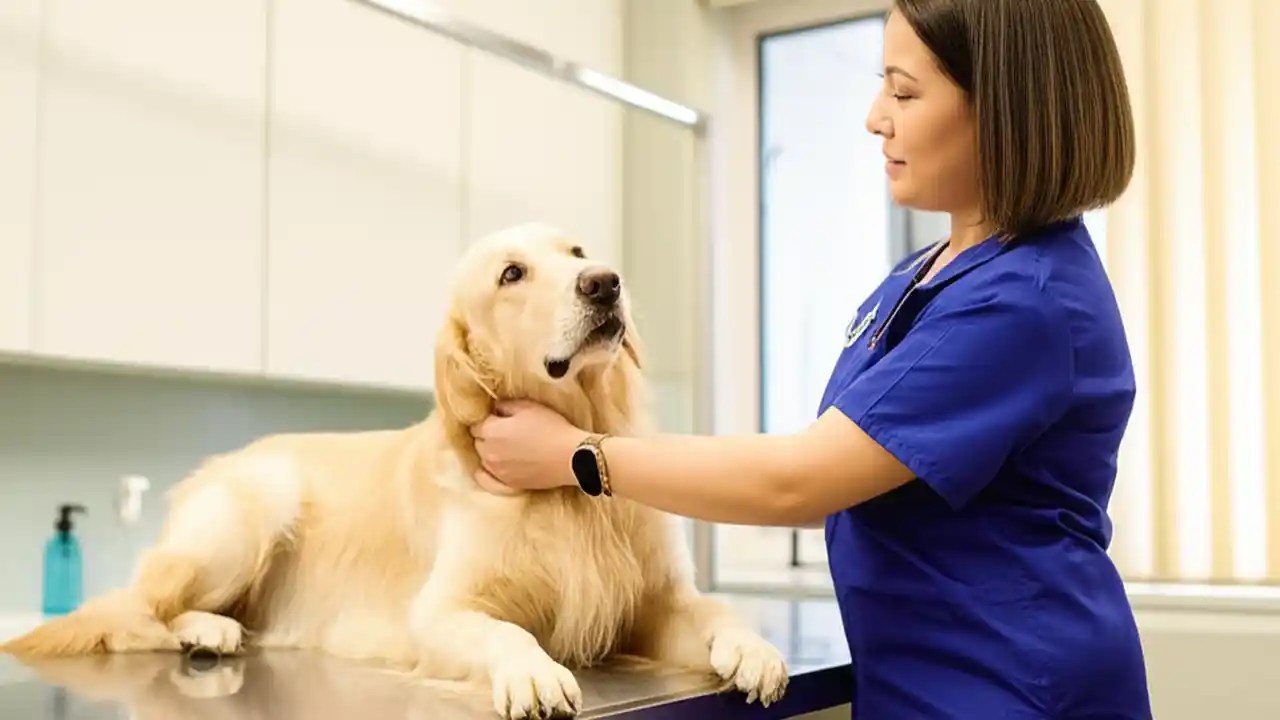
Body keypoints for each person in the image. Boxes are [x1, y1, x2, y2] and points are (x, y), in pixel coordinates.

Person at [470, 0, 1152, 717]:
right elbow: (856, 477)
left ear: (1007, 107)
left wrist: (579, 457)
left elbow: (799, 482)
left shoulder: (1024, 301)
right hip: (926, 684)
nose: (875, 116)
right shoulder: (926, 277)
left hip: (1012, 688)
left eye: (904, 91)